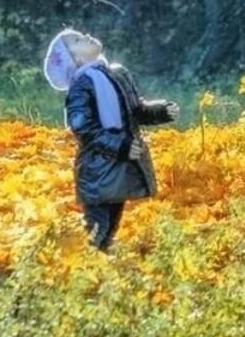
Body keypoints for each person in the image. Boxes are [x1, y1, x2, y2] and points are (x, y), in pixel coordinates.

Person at [43, 29, 179, 251]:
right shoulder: (81, 85)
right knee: (96, 226)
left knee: (111, 227)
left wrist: (160, 111)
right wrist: (121, 145)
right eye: (76, 40)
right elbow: (83, 128)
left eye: (81, 34)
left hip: (120, 166)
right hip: (97, 168)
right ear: (75, 59)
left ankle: (100, 268)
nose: (85, 35)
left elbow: (135, 109)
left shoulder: (116, 73)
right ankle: (80, 267)